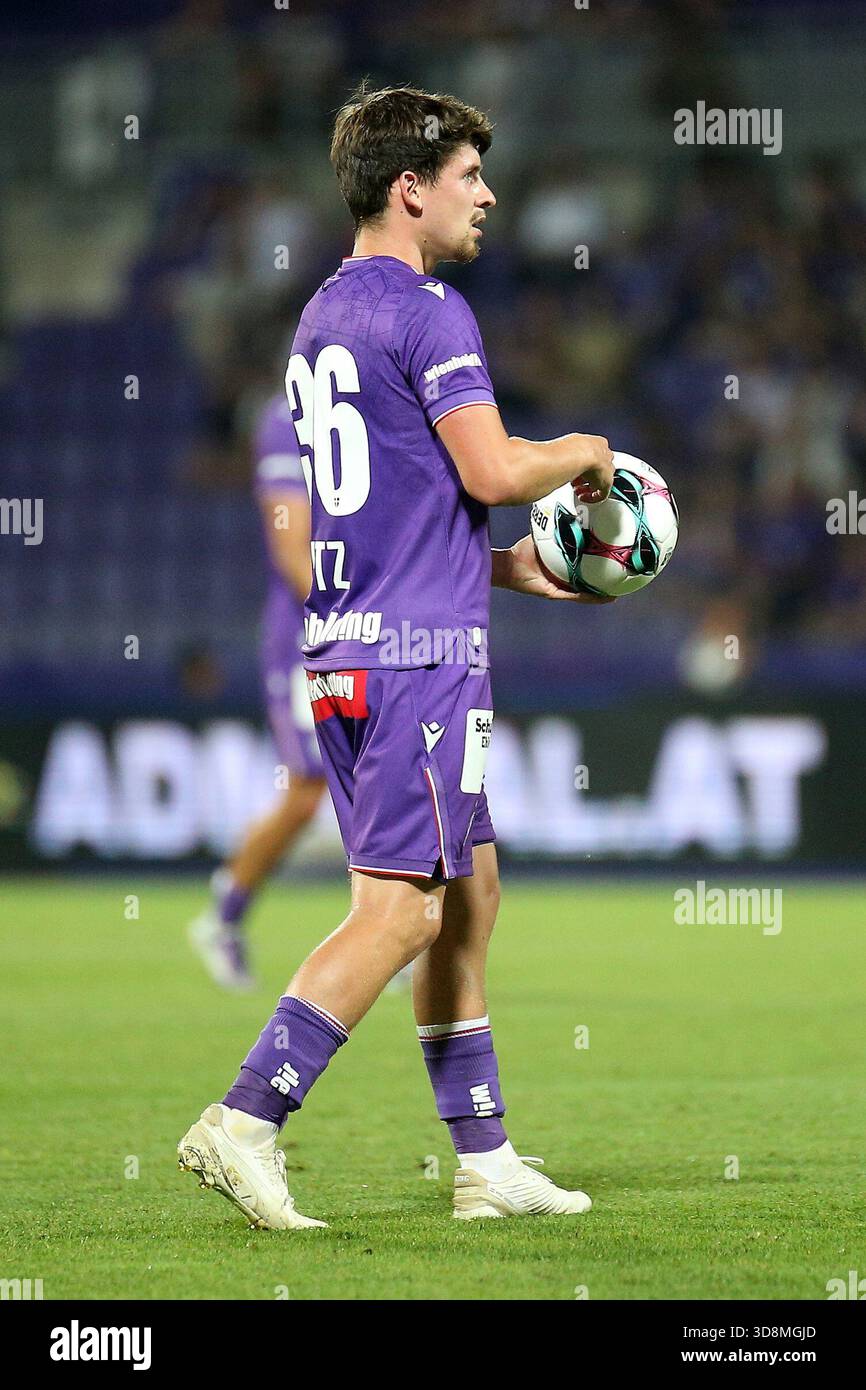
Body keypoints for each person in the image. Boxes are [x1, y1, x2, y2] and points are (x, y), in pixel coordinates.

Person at [178, 83, 614, 1229]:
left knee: (467, 892)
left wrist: (520, 569)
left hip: (354, 644)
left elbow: (410, 512)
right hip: (415, 662)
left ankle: (484, 1161)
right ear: (409, 187)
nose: (486, 194)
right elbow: (483, 471)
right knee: (405, 913)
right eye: (469, 175)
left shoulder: (322, 315)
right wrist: (577, 449)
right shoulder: (429, 310)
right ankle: (245, 1117)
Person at [189, 392, 327, 990]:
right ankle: (224, 916)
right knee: (305, 794)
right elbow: (291, 549)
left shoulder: (387, 403)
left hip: (382, 629)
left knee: (392, 779)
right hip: (312, 632)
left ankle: (403, 929)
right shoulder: (284, 419)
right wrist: (348, 619)